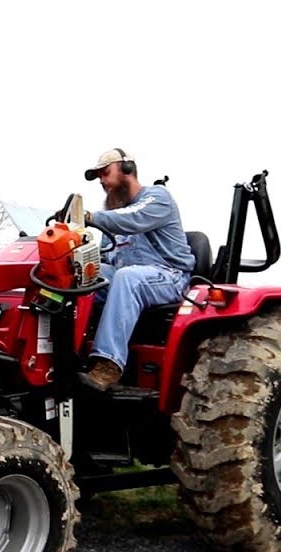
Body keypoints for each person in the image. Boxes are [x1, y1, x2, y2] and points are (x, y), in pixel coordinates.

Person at [78, 148, 195, 390]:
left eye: (105, 173)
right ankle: (66, 351)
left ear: (127, 169)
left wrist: (89, 217)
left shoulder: (157, 198)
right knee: (83, 275)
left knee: (127, 277)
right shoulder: (115, 216)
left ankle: (108, 364)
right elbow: (106, 257)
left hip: (169, 276)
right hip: (130, 277)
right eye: (98, 177)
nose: (102, 181)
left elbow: (133, 218)